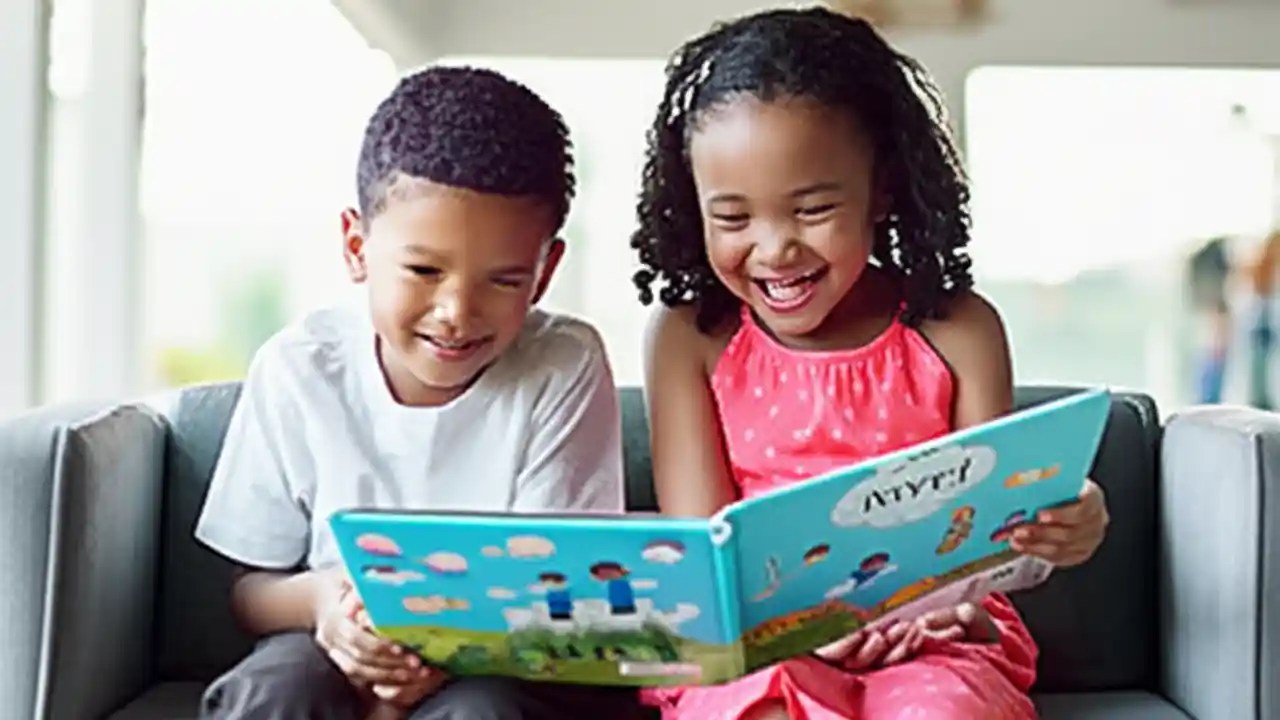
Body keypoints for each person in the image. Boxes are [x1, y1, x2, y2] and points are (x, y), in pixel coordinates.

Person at [630, 8, 1110, 719]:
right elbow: (703, 553)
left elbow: (993, 533)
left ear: (880, 189)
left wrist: (1072, 521)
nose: (774, 249)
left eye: (814, 208)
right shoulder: (688, 336)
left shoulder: (956, 330)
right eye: (732, 219)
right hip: (754, 639)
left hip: (936, 636)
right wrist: (805, 631)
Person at [194, 65, 645, 720]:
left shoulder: (562, 366)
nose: (456, 312)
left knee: (484, 713)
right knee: (275, 689)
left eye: (503, 280)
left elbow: (562, 597)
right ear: (357, 246)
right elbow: (249, 593)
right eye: (423, 270)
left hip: (507, 660)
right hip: (340, 643)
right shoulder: (299, 369)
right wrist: (326, 605)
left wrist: (432, 661)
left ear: (545, 273)